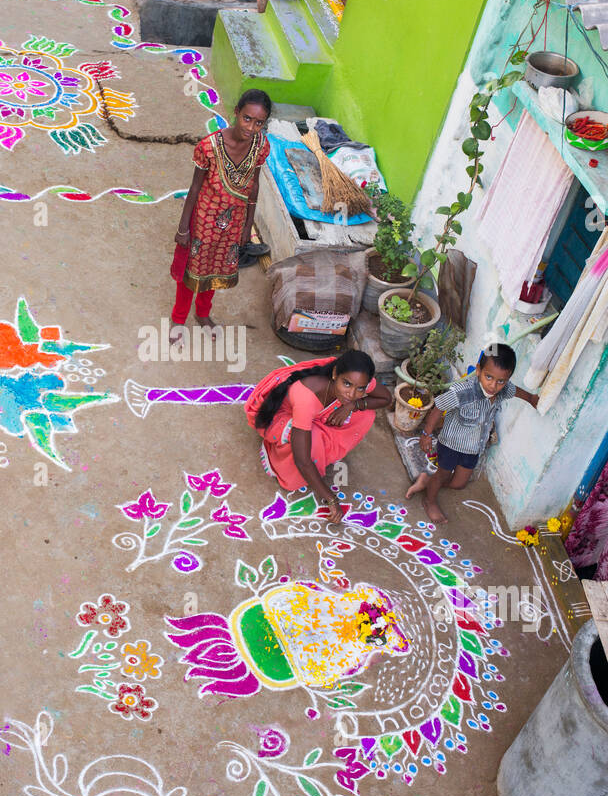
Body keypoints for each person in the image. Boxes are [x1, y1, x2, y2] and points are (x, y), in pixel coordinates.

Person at [170, 89, 272, 337]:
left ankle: (203, 313)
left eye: (259, 122)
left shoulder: (261, 146)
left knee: (214, 271)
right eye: (247, 118)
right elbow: (195, 188)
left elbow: (254, 185)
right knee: (190, 272)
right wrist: (183, 227)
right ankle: (178, 318)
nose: (251, 127)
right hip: (202, 220)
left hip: (233, 222)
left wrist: (247, 226)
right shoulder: (209, 147)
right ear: (236, 113)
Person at [250, 351, 392, 523]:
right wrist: (330, 499)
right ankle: (275, 454)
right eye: (346, 384)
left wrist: (354, 405)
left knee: (365, 414)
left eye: (360, 388)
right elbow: (302, 460)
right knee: (311, 444)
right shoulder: (307, 398)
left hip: (316, 415)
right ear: (335, 374)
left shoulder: (355, 378)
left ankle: (323, 448)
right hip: (281, 420)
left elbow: (385, 398)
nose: (352, 393)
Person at [406, 343, 539, 523]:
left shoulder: (503, 390)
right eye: (489, 377)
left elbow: (515, 391)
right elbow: (438, 407)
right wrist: (426, 434)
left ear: (507, 379)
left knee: (459, 484)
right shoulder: (463, 391)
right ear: (478, 370)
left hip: (473, 448)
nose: (493, 385)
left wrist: (531, 398)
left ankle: (426, 481)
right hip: (451, 445)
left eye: (501, 381)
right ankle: (429, 501)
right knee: (444, 474)